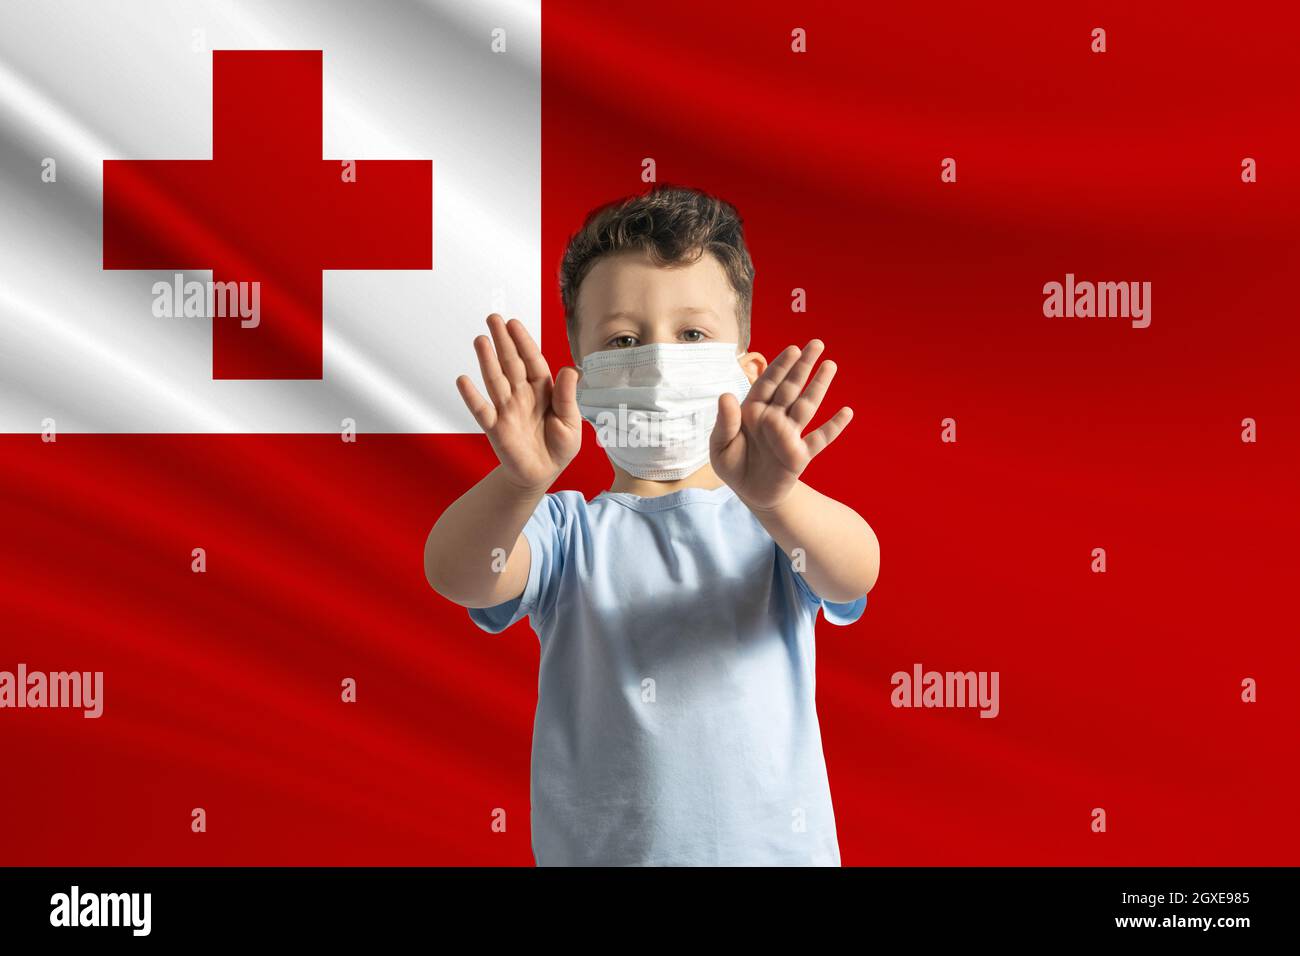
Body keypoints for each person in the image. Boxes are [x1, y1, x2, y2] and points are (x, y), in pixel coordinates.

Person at [424, 183, 880, 865]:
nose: (661, 360)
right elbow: (459, 574)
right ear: (580, 382)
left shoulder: (774, 527)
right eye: (625, 339)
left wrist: (777, 499)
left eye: (693, 334)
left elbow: (856, 570)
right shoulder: (564, 533)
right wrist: (522, 481)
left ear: (747, 372)